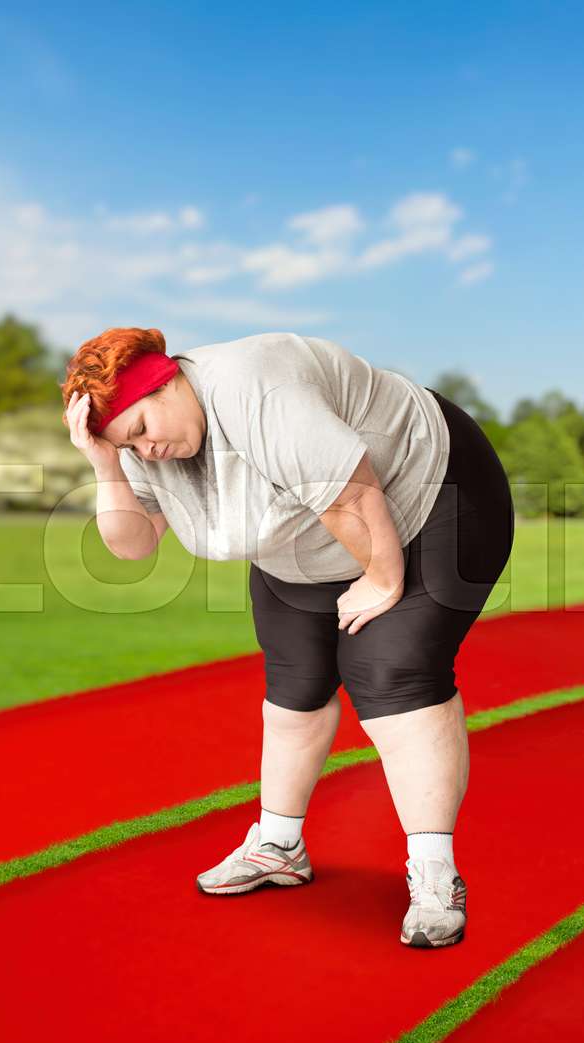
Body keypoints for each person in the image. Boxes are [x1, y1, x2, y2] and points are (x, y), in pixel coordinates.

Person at [60, 327, 514, 948]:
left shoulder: (258, 389)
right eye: (129, 445)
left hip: (430, 491)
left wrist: (383, 579)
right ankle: (279, 845)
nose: (149, 448)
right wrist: (106, 462)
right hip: (307, 533)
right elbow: (132, 544)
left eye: (141, 429)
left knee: (391, 673)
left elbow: (351, 494)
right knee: (294, 685)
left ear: (166, 383)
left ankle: (436, 876)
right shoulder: (142, 450)